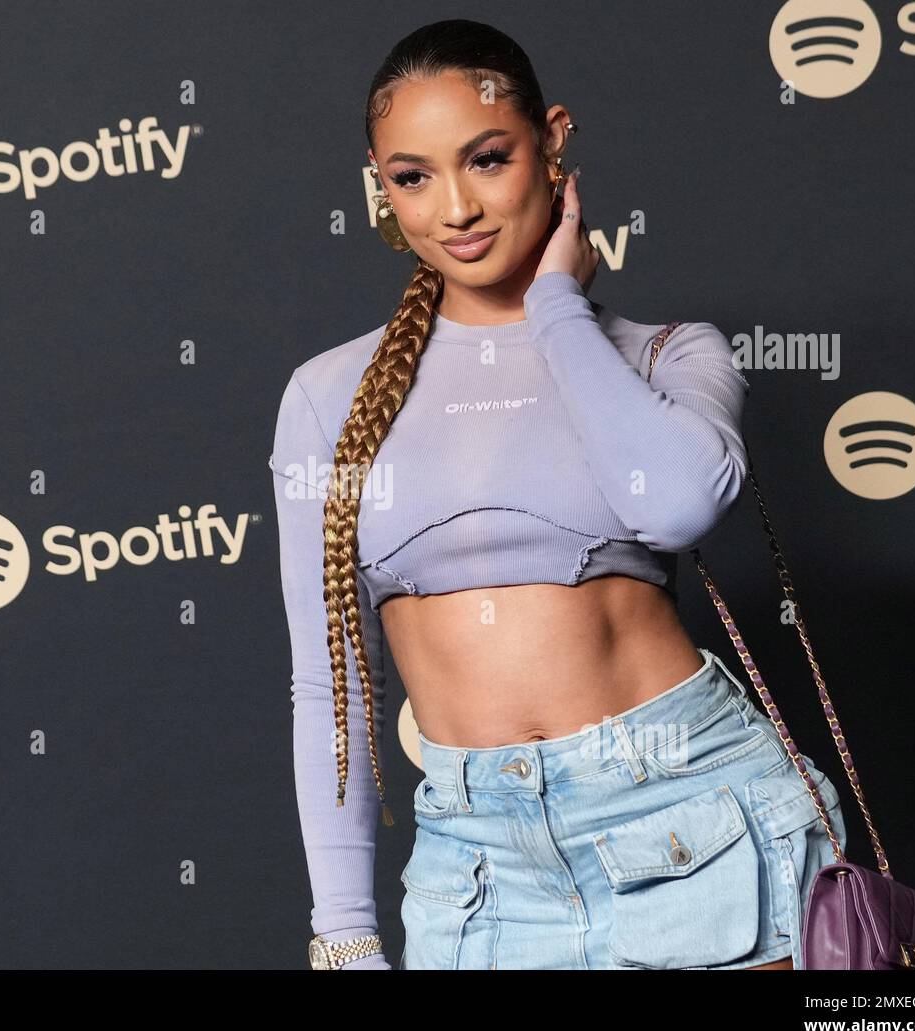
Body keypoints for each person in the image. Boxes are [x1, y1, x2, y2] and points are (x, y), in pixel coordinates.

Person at [267, 18, 847, 970]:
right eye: (412, 177)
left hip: (689, 814)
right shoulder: (328, 397)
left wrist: (557, 308)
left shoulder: (666, 355)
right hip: (477, 866)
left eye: (486, 159)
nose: (454, 207)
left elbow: (678, 506)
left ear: (553, 139)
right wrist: (341, 931)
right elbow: (327, 683)